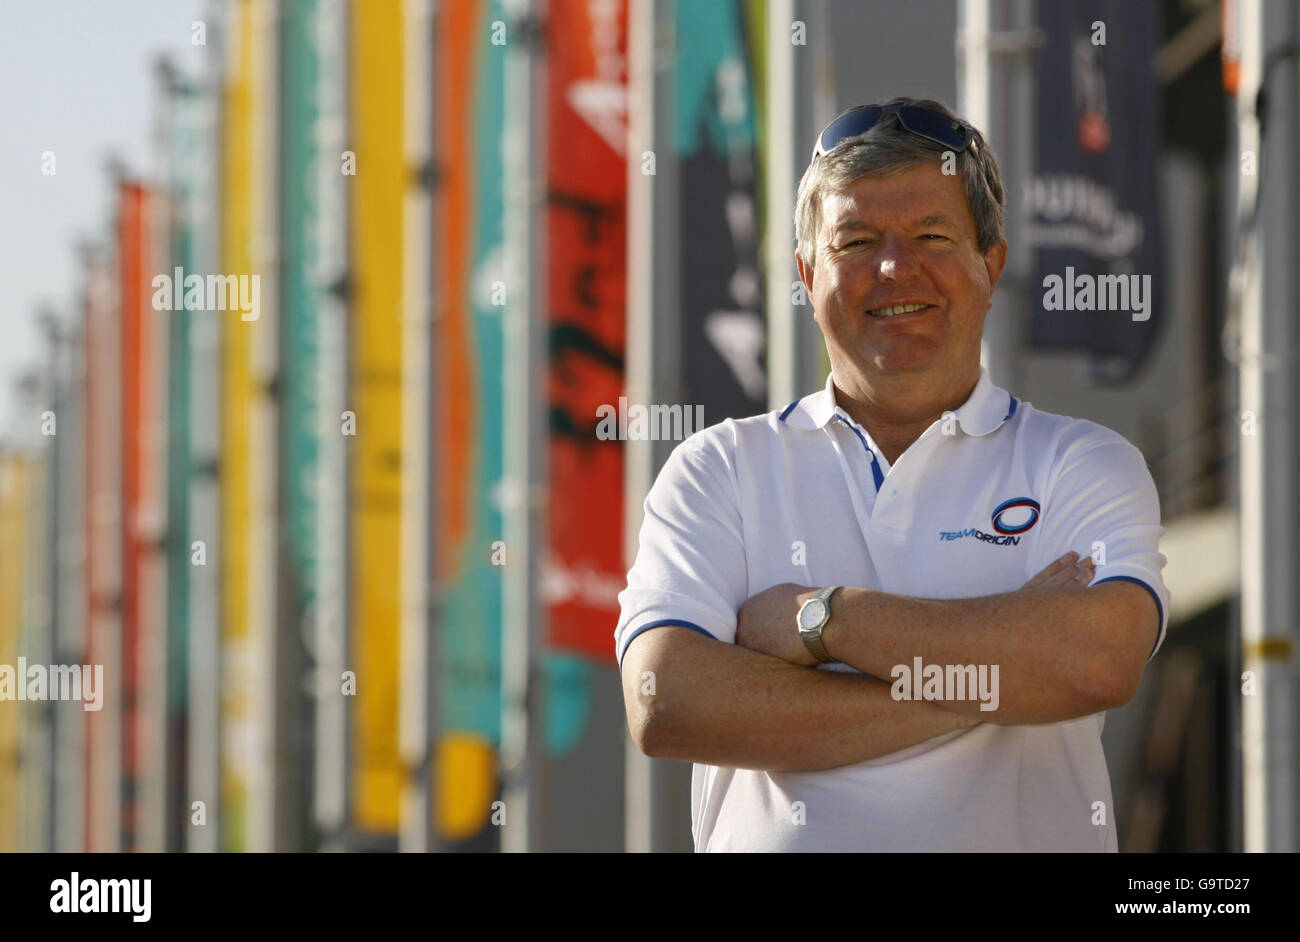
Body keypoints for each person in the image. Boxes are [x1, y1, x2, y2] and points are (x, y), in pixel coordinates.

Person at [613, 97, 1170, 852]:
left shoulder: (1082, 462)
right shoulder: (718, 469)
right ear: (809, 276)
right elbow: (665, 702)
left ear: (991, 263)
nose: (895, 267)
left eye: (932, 235)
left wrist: (822, 618)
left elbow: (1097, 662)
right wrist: (998, 679)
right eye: (857, 240)